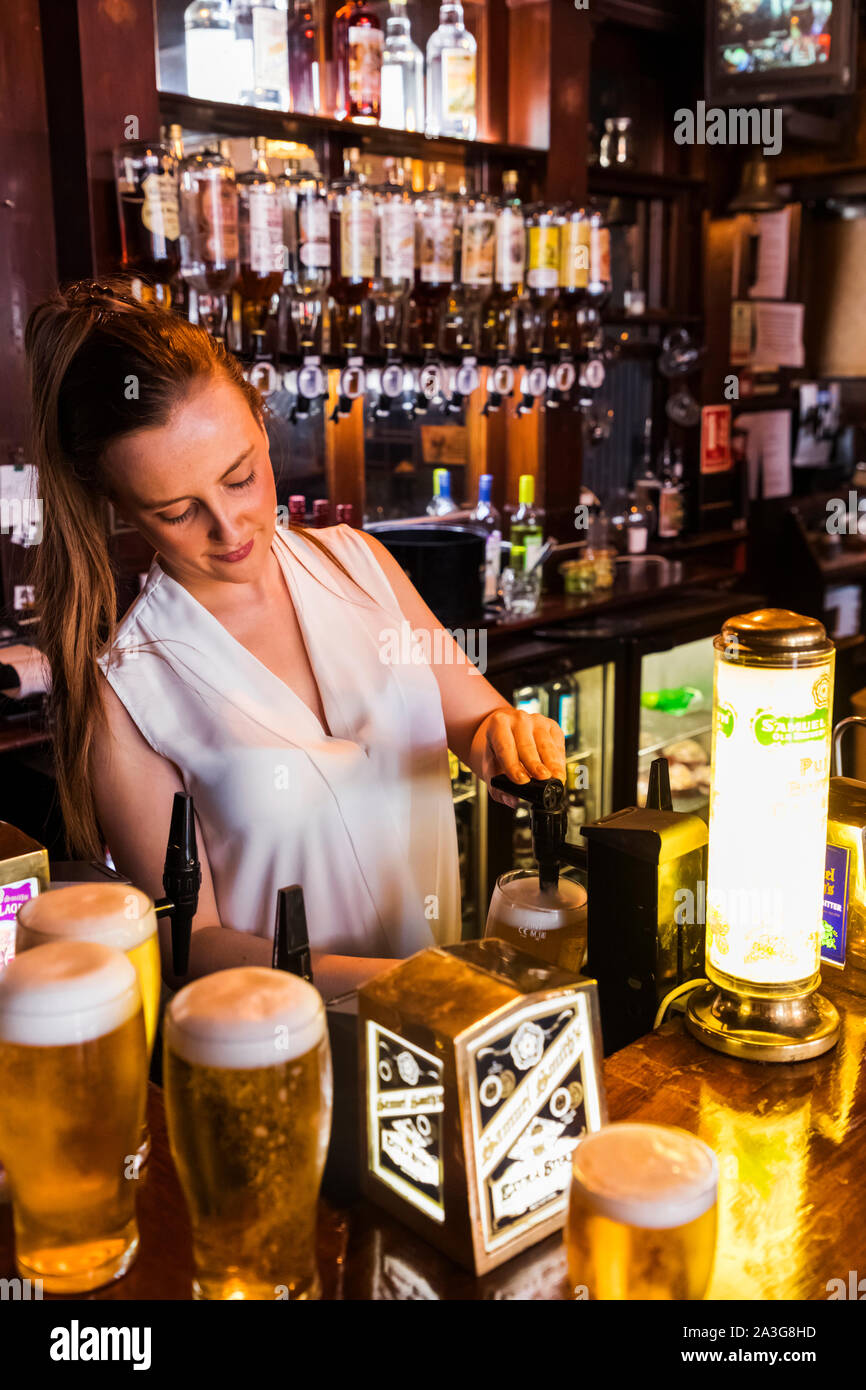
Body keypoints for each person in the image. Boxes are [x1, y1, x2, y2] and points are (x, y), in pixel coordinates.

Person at [25, 280, 567, 998]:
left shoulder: (360, 562)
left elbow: (477, 720)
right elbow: (189, 942)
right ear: (118, 506)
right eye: (177, 511)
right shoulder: (126, 689)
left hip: (444, 1013)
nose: (230, 527)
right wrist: (406, 980)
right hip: (282, 1047)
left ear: (261, 418)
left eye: (241, 476)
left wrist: (510, 741)